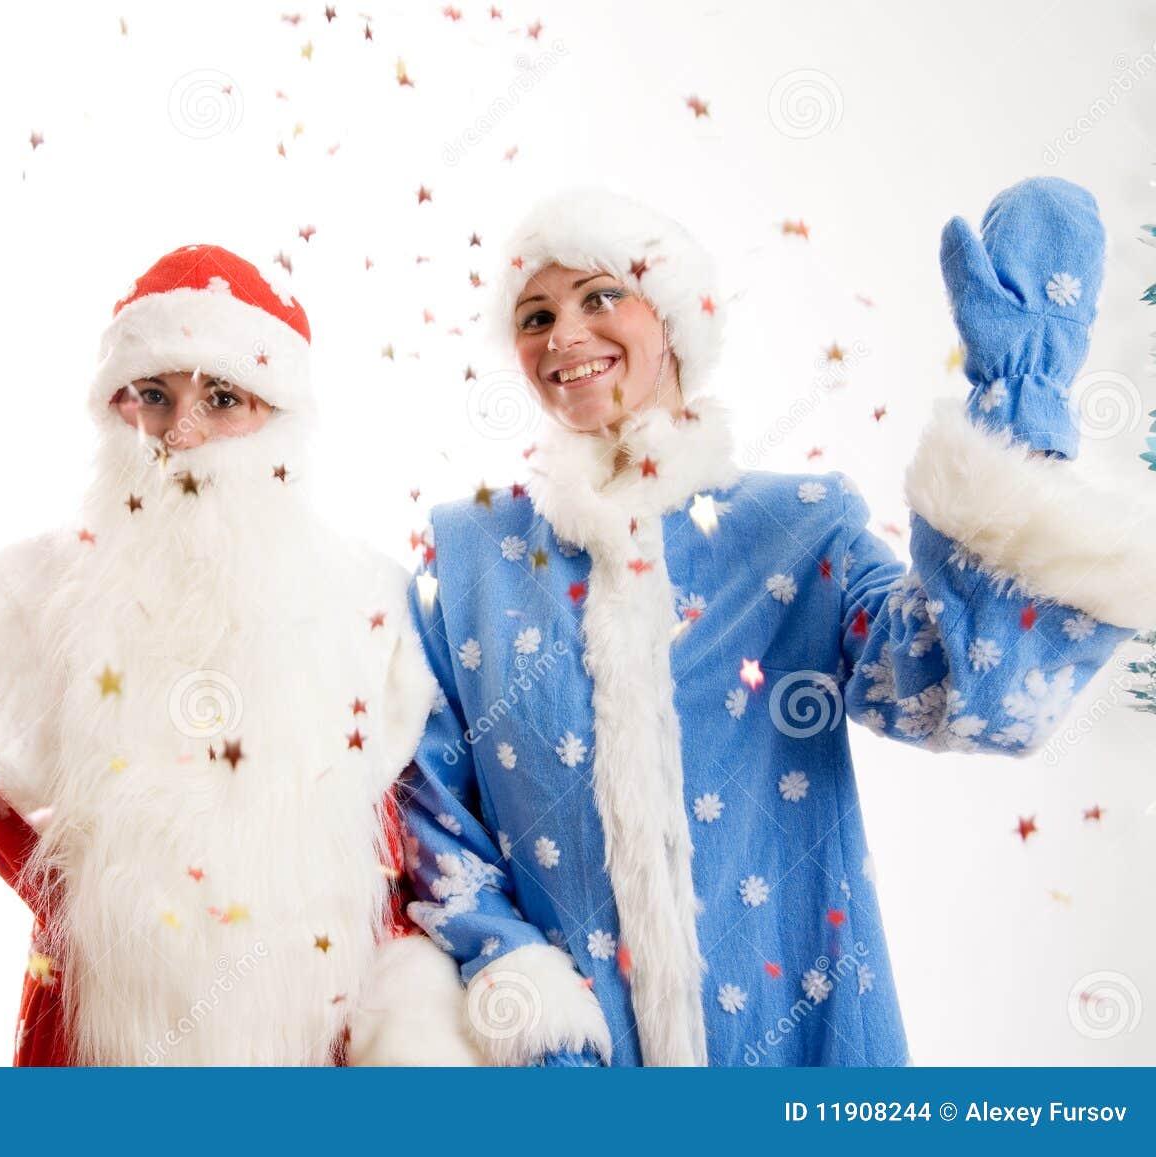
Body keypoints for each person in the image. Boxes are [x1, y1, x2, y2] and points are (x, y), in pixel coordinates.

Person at [399, 179, 1156, 1066]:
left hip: (795, 1044)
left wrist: (1017, 413)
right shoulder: (470, 555)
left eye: (600, 297)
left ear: (674, 319)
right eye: (535, 316)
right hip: (575, 1071)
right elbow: (428, 808)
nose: (563, 334)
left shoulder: (799, 527)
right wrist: (531, 1007)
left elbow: (961, 697)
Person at [0, 244, 478, 1066]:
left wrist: (422, 1025)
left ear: (279, 415)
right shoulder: (39, 598)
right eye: (154, 396)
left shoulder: (374, 608)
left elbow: (449, 852)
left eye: (221, 397)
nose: (182, 432)